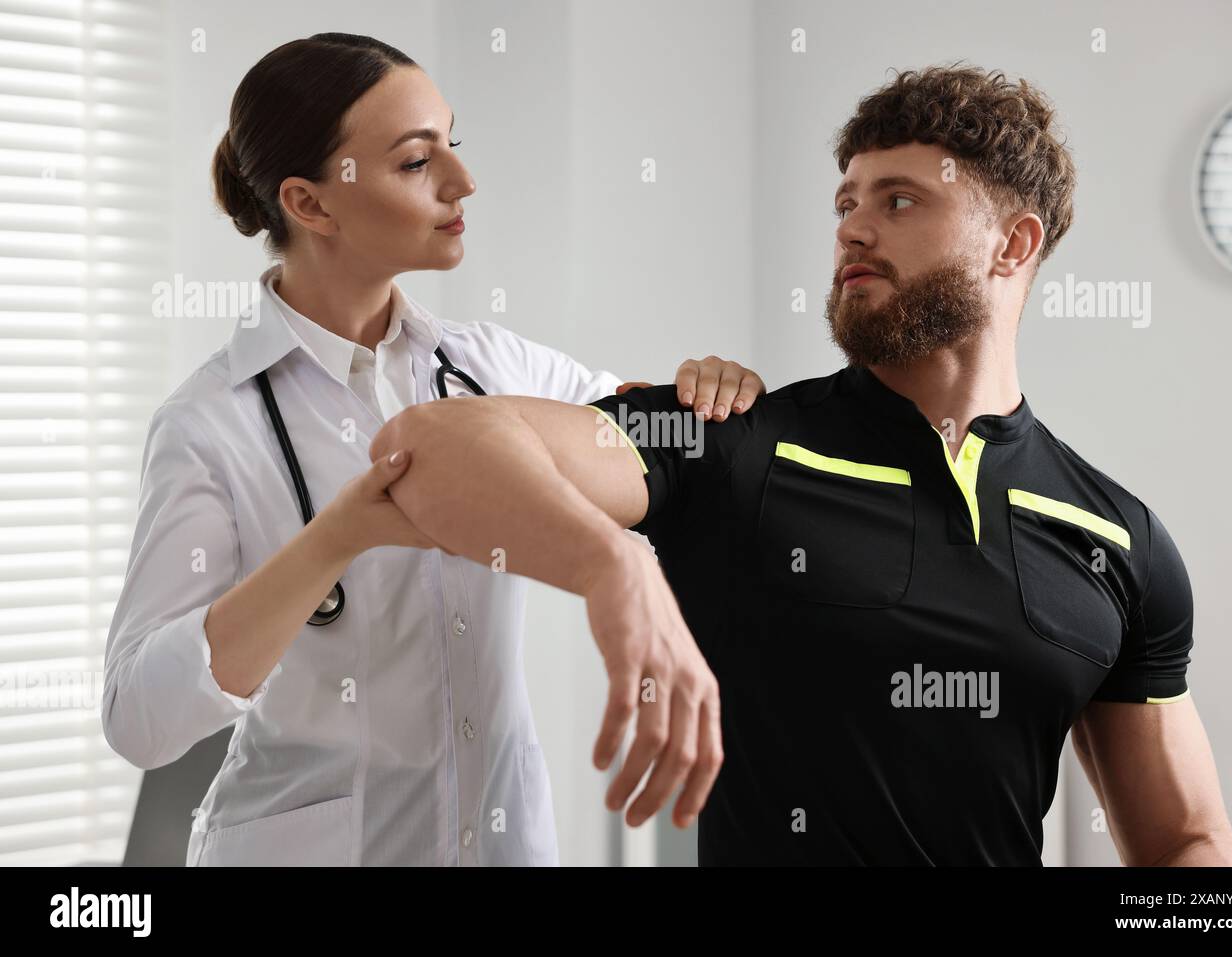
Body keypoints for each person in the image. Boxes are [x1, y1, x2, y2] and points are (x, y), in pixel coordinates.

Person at [369, 65, 1232, 865]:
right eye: (846, 202)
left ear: (1012, 246)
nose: (854, 229)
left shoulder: (1116, 536)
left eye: (899, 201)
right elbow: (431, 446)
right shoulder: (729, 436)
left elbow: (1186, 843)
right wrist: (611, 572)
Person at [102, 33, 760, 867]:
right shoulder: (208, 423)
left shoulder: (496, 367)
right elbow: (137, 718)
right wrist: (334, 538)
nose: (463, 181)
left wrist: (710, 390)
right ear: (310, 204)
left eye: (454, 143)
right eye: (417, 162)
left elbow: (656, 452)